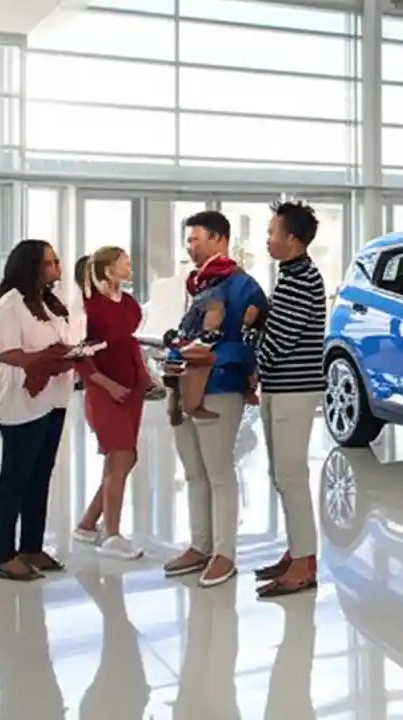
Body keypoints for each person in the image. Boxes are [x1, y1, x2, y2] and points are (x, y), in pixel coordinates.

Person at [162, 211, 268, 588]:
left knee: (219, 471)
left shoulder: (244, 287)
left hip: (220, 386)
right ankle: (200, 544)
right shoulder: (195, 284)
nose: (190, 246)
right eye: (188, 241)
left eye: (196, 239)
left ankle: (224, 553)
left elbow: (253, 342)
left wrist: (222, 361)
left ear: (220, 239)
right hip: (182, 383)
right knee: (193, 471)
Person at [0, 239, 75, 581]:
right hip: (20, 403)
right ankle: (2, 554)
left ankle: (32, 547)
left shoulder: (47, 301)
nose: (58, 268)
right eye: (51, 263)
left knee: (40, 476)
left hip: (52, 400)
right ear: (32, 266)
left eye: (57, 261)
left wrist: (68, 354)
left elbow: (55, 341)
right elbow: (8, 352)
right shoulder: (10, 304)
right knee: (15, 479)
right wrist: (48, 359)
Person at [252, 201, 327, 599]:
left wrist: (250, 353)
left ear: (292, 240)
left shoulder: (301, 280)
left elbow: (277, 341)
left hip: (293, 390)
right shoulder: (292, 276)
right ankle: (300, 553)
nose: (268, 240)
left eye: (272, 233)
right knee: (284, 475)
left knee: (291, 476)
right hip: (283, 387)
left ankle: (302, 566)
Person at [70, 247, 151, 560]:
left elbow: (128, 344)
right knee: (120, 456)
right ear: (107, 270)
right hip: (104, 391)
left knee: (125, 460)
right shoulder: (89, 308)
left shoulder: (129, 305)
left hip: (132, 390)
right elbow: (79, 354)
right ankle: (113, 534)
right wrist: (105, 384)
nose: (129, 266)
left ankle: (88, 524)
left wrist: (144, 377)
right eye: (124, 262)